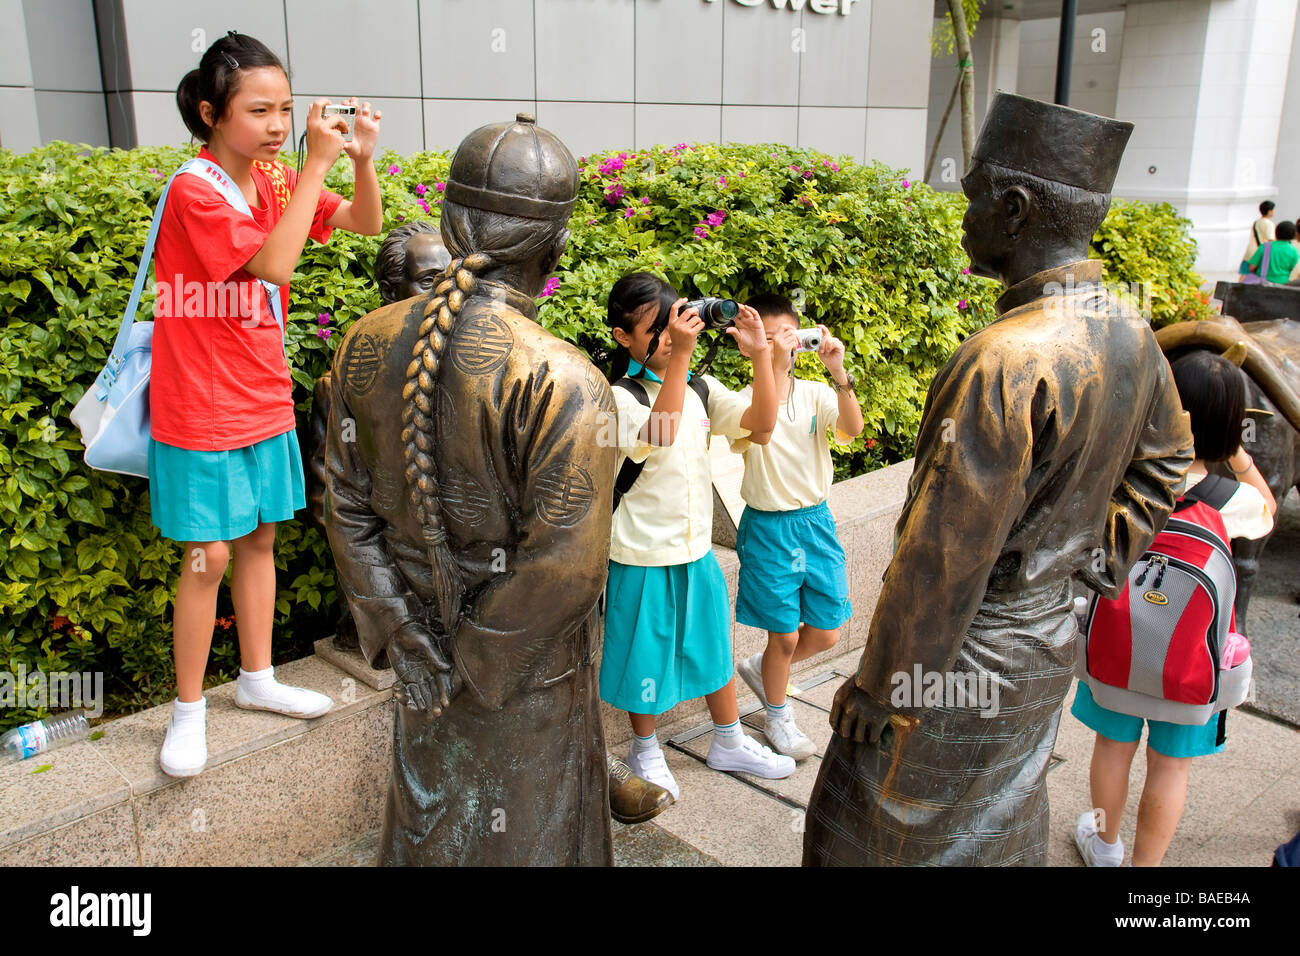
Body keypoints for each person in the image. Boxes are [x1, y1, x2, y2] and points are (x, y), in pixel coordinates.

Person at [803, 92, 1194, 866]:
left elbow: (941, 560)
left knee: (866, 840)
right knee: (995, 835)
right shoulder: (1128, 327)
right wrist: (1084, 571)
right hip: (1042, 644)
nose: (963, 209)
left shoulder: (1004, 359)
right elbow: (1167, 463)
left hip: (955, 664)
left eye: (975, 191)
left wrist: (882, 690)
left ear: (1014, 208)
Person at [326, 114, 619, 865]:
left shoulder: (364, 342)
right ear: (555, 248)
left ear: (453, 222)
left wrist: (404, 633)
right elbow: (566, 568)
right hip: (522, 677)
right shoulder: (566, 379)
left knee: (429, 835)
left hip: (422, 659)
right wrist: (475, 668)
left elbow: (347, 507)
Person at [151, 31, 382, 777]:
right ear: (213, 113)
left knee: (257, 540)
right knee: (204, 557)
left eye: (286, 108)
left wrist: (359, 160)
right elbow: (274, 265)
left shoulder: (280, 179)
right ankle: (189, 711)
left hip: (259, 393)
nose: (278, 125)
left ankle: (256, 680)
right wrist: (316, 162)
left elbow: (364, 223)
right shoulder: (195, 189)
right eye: (259, 111)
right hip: (198, 401)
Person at [1071, 350, 1276, 867]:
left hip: (1118, 649)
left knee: (1112, 748)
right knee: (1171, 767)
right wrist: (1239, 457)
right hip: (1190, 663)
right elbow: (1268, 511)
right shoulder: (1235, 502)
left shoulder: (1126, 482)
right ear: (1233, 428)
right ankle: (1146, 871)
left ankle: (1104, 846)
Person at [602, 273, 794, 799]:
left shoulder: (701, 389)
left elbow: (762, 423)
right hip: (642, 553)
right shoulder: (617, 397)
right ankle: (645, 748)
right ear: (623, 337)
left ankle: (728, 739)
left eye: (675, 322)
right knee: (646, 657)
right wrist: (683, 356)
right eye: (655, 329)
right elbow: (657, 437)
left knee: (713, 648)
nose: (670, 337)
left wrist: (760, 357)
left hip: (695, 549)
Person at [730, 293, 864, 759]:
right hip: (768, 527)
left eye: (786, 336)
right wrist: (772, 363)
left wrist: (837, 370)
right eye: (766, 340)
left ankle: (764, 670)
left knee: (827, 631)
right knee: (783, 635)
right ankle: (778, 716)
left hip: (815, 523)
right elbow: (758, 427)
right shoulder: (744, 402)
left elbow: (853, 427)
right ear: (748, 345)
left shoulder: (815, 393)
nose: (779, 345)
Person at [1244, 219, 1299, 284]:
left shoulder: (1265, 246)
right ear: (1293, 235)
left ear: (1275, 233)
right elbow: (1294, 270)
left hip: (1262, 283)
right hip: (1283, 284)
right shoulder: (1294, 251)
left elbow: (1251, 267)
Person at [1240, 200, 1276, 275]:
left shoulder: (1257, 222)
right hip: (1259, 254)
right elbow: (1270, 240)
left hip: (1250, 252)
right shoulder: (1269, 223)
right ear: (1269, 211)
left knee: (1245, 275)